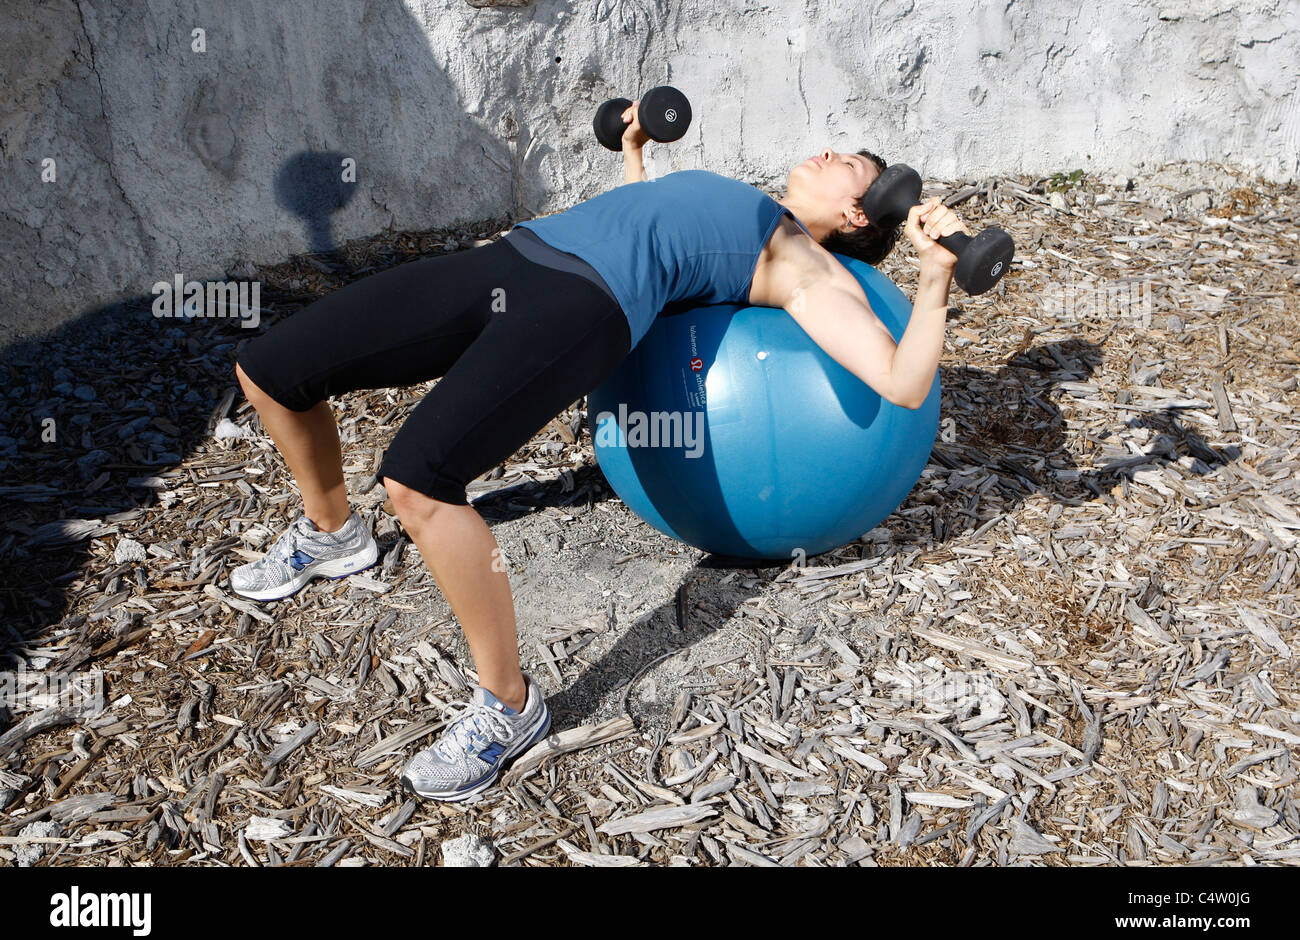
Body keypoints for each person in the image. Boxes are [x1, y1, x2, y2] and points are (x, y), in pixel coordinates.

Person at [230, 100, 971, 801]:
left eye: (846, 161)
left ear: (855, 213)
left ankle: (508, 705)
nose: (823, 150)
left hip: (582, 309)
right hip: (512, 259)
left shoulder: (810, 269)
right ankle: (334, 533)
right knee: (270, 368)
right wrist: (633, 152)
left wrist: (934, 278)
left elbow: (904, 384)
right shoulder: (750, 205)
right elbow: (654, 224)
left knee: (419, 482)